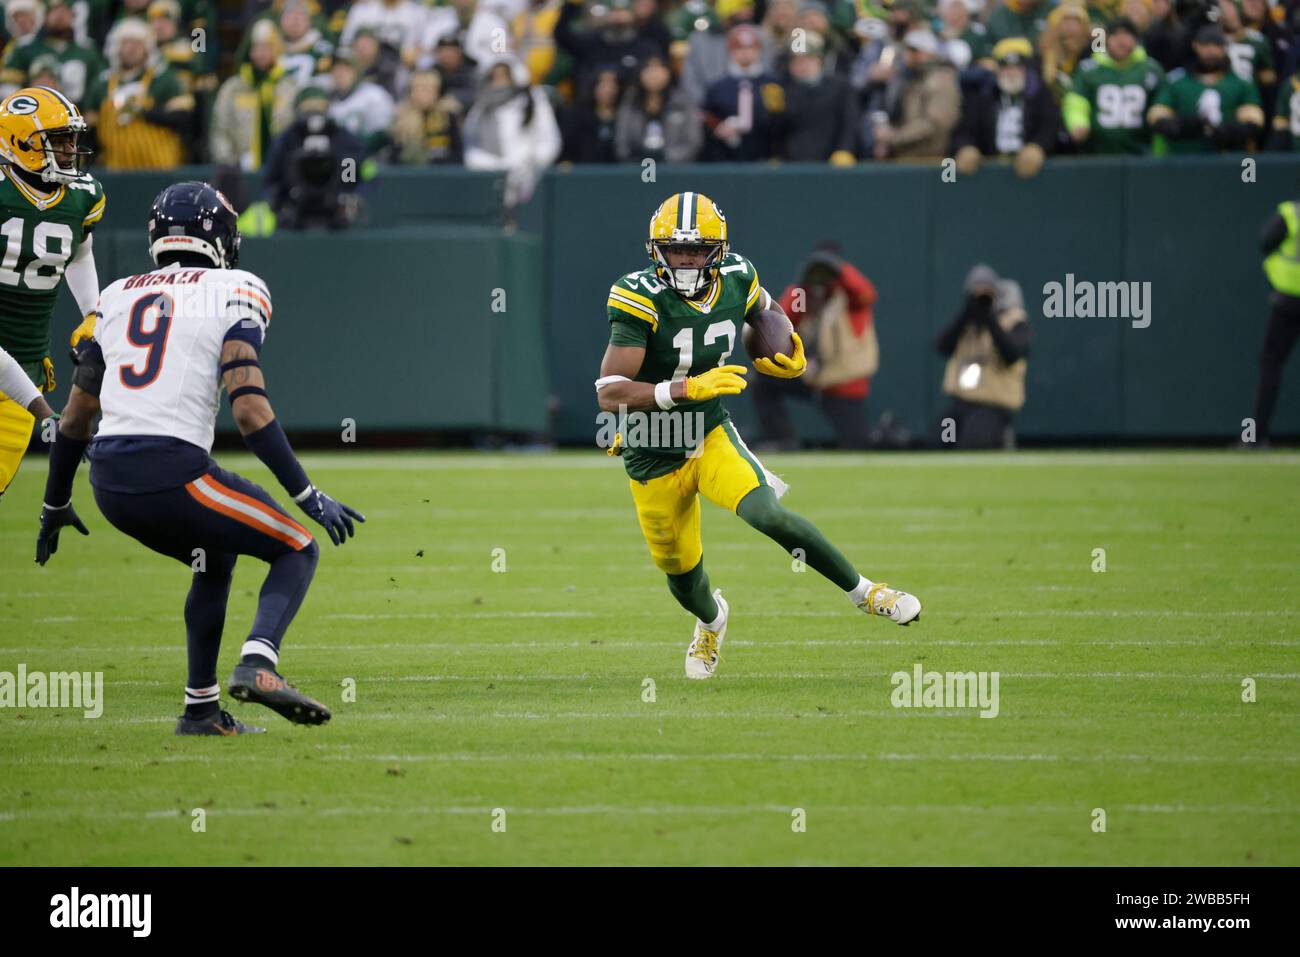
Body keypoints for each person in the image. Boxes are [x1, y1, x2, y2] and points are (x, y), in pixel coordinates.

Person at [34, 181, 364, 736]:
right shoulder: (238, 287)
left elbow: (75, 416)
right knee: (296, 548)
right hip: (172, 472)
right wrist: (308, 495)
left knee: (213, 556)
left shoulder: (114, 295)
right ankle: (259, 664)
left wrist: (54, 501)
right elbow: (251, 410)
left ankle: (202, 711)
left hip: (109, 480)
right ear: (221, 236)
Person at [595, 192, 921, 679]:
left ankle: (866, 592)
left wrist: (785, 346)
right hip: (652, 449)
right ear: (655, 249)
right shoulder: (637, 295)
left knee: (767, 512)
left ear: (718, 250)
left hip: (708, 433)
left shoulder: (737, 276)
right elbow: (609, 392)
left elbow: (764, 316)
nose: (685, 258)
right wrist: (685, 387)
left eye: (697, 247)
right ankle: (711, 621)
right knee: (681, 575)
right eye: (676, 248)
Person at [0, 86, 103, 501]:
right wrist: (46, 414)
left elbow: (79, 252)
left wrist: (93, 311)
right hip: (24, 387)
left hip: (23, 374)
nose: (68, 150)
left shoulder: (82, 196)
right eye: (57, 141)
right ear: (19, 142)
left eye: (71, 140)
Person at [752, 243, 879, 450]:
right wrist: (802, 285)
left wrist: (837, 268)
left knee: (857, 444)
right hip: (809, 375)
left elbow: (866, 292)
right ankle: (784, 439)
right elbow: (777, 325)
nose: (822, 278)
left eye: (827, 271)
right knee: (763, 379)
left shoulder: (851, 300)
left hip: (841, 383)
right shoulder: (805, 296)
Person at [935, 264, 1031, 450]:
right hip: (961, 404)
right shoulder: (968, 321)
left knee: (972, 444)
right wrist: (966, 313)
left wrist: (990, 318)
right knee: (941, 441)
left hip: (992, 405)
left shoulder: (1014, 320)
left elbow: (1011, 354)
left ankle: (1001, 439)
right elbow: (943, 346)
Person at [953, 36, 1059, 177]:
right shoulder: (982, 97)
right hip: (990, 172)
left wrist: (1039, 146)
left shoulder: (1041, 95)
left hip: (1033, 174)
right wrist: (966, 148)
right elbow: (963, 131)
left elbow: (1052, 126)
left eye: (1017, 67)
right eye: (1005, 67)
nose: (1011, 72)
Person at [1147, 25, 1263, 153]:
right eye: (1206, 45)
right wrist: (1185, 125)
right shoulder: (1176, 81)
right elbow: (1156, 116)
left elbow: (1254, 121)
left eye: (1217, 45)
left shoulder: (1241, 83)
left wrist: (1228, 132)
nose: (1211, 50)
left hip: (1230, 163)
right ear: (1196, 46)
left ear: (1224, 48)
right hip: (1185, 160)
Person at [1063, 16, 1165, 154]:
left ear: (1136, 40)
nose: (1122, 41)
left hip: (1141, 152)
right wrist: (1078, 123)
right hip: (1096, 153)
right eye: (1116, 35)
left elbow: (1163, 103)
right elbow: (1076, 100)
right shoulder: (1089, 69)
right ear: (1106, 39)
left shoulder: (1151, 69)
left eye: (1127, 35)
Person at [209, 19, 297, 170]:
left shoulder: (289, 86)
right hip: (241, 169)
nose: (261, 53)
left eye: (267, 47)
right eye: (257, 47)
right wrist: (229, 162)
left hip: (281, 169)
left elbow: (295, 129)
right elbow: (220, 129)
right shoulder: (233, 88)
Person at [1251, 196, 1300, 445]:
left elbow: (1265, 242)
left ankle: (1257, 435)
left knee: (1271, 364)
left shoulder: (1291, 214)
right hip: (1287, 301)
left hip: (1288, 300)